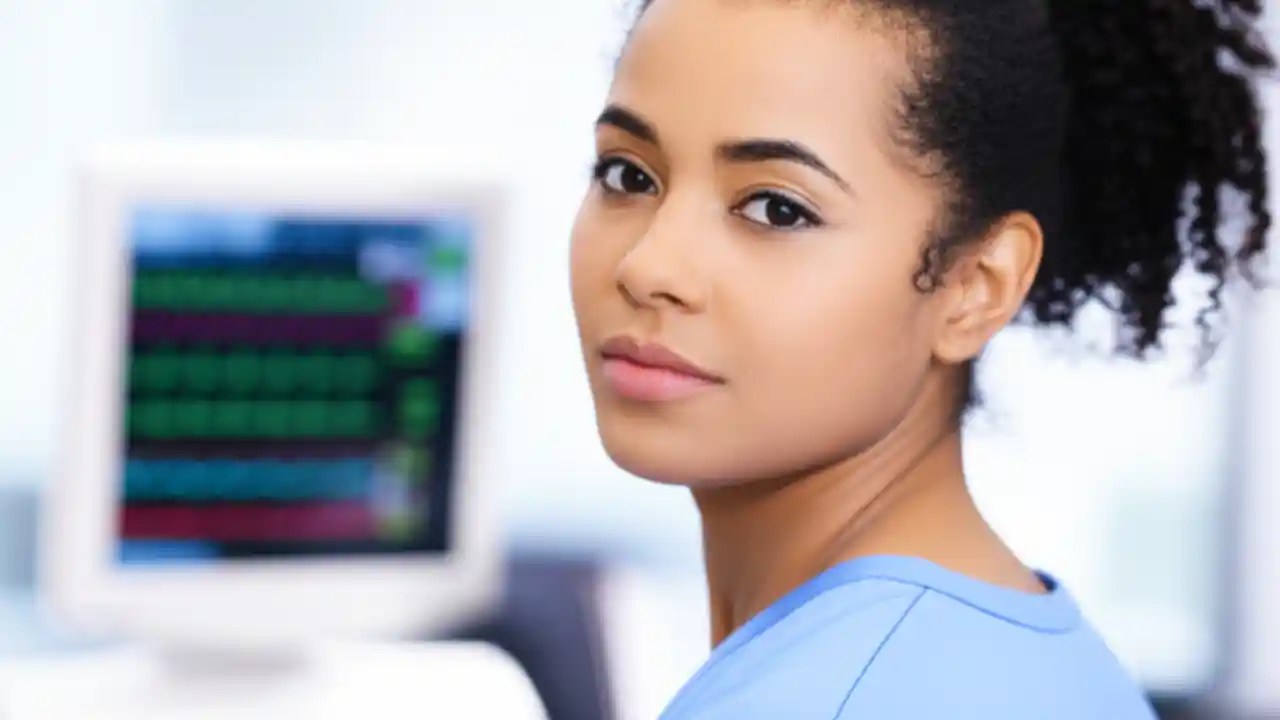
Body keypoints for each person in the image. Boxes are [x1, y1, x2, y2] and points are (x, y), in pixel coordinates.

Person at [568, 0, 1273, 717]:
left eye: (777, 208)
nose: (648, 264)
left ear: (974, 288)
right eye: (627, 175)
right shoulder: (1035, 657)